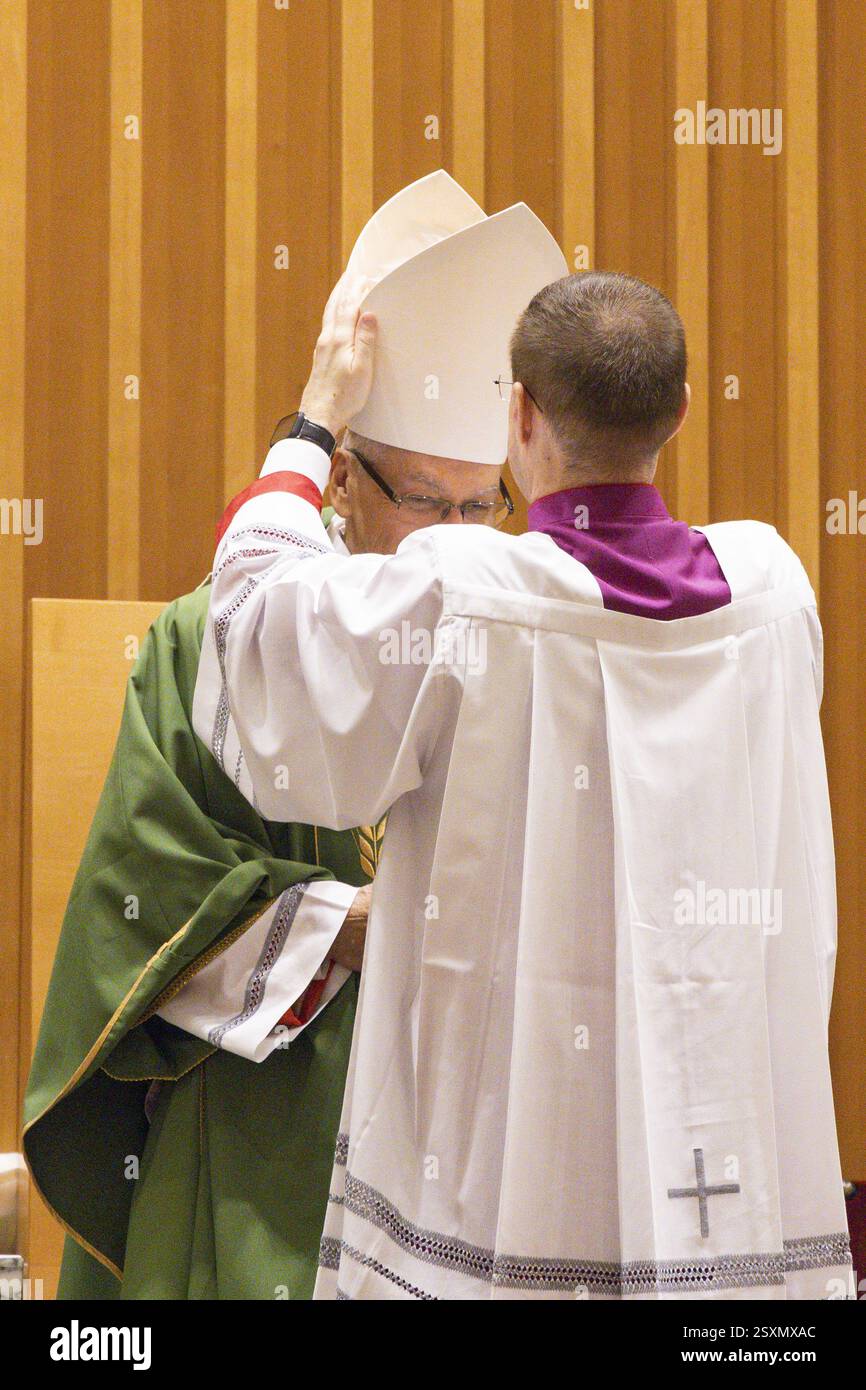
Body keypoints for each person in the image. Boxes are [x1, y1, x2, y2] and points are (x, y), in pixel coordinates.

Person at [193, 260, 852, 1300]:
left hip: (504, 1183)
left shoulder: (461, 594)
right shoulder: (771, 593)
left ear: (521, 417)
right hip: (714, 1175)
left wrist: (314, 422)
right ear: (678, 412)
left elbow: (256, 624)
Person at [22, 171, 542, 1301]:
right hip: (265, 1105)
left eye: (479, 505)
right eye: (425, 502)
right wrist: (352, 925)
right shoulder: (211, 638)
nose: (454, 542)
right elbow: (142, 889)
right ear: (343, 480)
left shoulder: (520, 634)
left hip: (466, 1103)